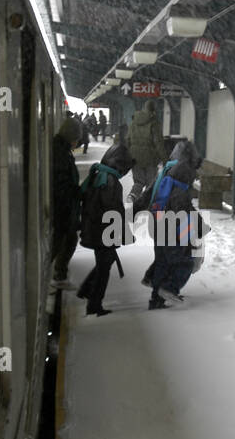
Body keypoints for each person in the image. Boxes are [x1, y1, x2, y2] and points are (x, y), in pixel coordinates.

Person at [141, 138, 204, 310]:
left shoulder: (167, 169)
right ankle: (168, 289)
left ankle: (156, 298)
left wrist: (133, 212)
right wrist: (198, 223)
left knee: (162, 260)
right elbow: (181, 204)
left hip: (156, 219)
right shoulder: (183, 172)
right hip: (171, 223)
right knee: (184, 261)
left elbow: (149, 194)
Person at [76, 140, 134, 316]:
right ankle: (94, 304)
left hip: (94, 227)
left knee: (105, 262)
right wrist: (122, 234)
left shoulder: (99, 173)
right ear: (120, 164)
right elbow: (113, 210)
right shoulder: (110, 181)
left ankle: (86, 291)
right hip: (102, 230)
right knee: (104, 268)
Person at [50, 117, 82, 289]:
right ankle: (57, 276)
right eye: (77, 139)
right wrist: (76, 192)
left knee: (64, 239)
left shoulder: (61, 149)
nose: (77, 142)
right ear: (71, 137)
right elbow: (61, 182)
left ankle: (58, 274)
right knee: (63, 239)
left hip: (63, 204)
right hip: (61, 205)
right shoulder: (60, 153)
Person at [128, 99, 164, 202]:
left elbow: (127, 139)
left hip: (135, 157)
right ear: (153, 111)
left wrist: (130, 155)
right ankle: (148, 207)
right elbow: (159, 143)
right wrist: (165, 160)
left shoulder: (133, 122)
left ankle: (133, 196)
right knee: (151, 184)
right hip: (150, 158)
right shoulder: (154, 123)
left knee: (138, 182)